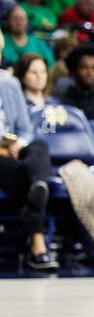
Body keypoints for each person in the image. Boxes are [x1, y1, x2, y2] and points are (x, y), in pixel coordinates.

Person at [0, 32, 56, 270]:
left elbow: (25, 129)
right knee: (32, 178)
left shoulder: (10, 84)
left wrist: (18, 144)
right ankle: (37, 244)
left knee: (39, 146)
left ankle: (37, 188)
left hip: (12, 155)